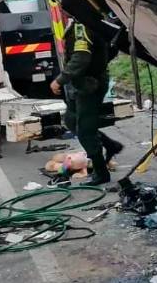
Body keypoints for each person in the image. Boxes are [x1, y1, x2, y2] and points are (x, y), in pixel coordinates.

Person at [50, 18, 122, 185]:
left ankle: (101, 173)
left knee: (85, 131)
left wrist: (60, 80)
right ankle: (110, 145)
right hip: (83, 83)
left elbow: (81, 58)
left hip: (89, 85)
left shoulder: (82, 25)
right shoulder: (84, 22)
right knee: (71, 120)